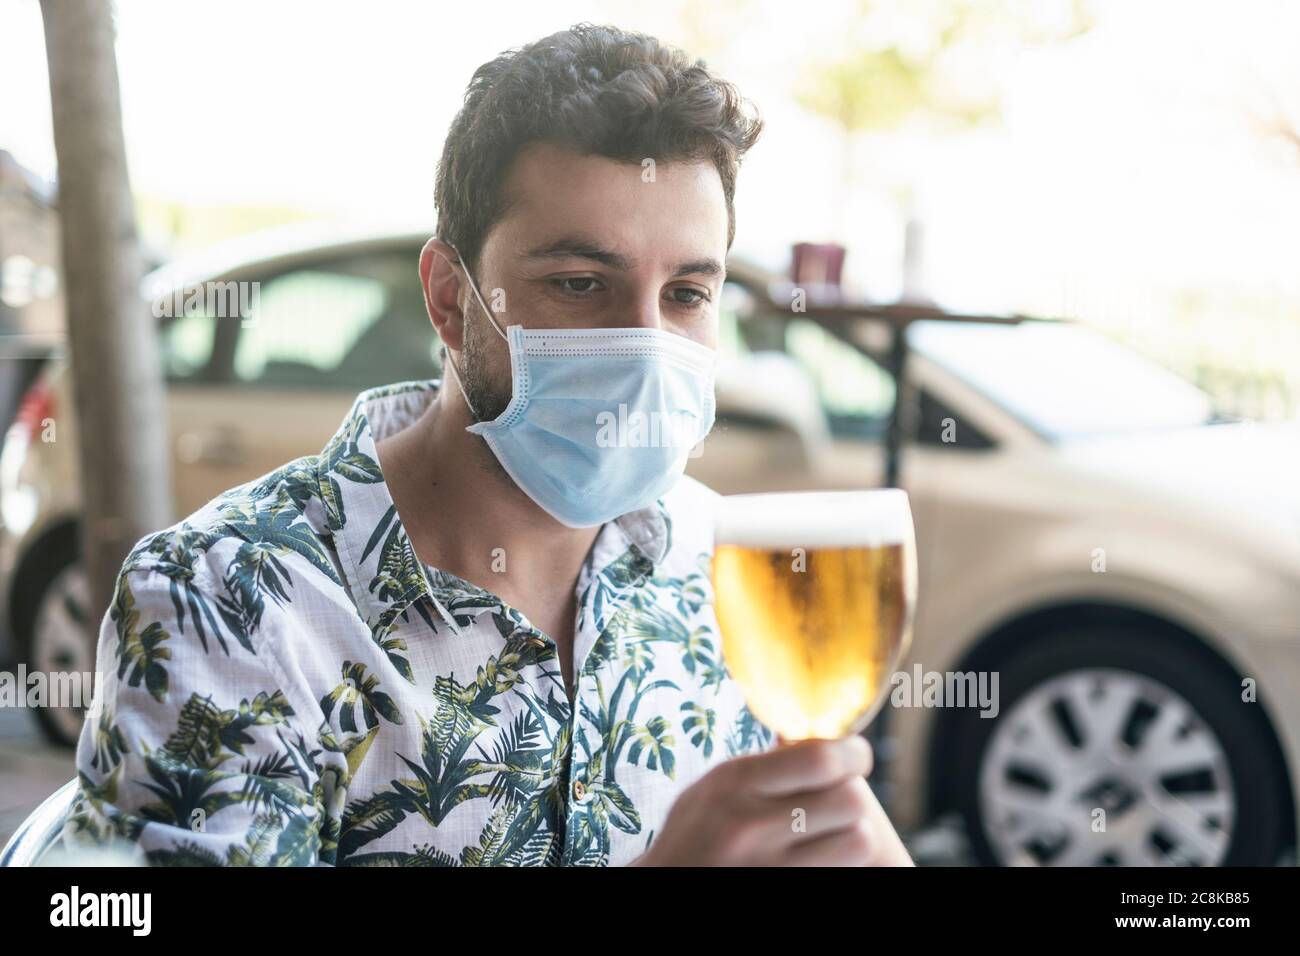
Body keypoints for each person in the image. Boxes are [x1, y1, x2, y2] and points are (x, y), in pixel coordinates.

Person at [62, 22, 913, 867]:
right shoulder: (228, 604)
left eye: (687, 292)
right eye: (580, 285)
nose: (644, 342)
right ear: (446, 298)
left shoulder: (726, 575)